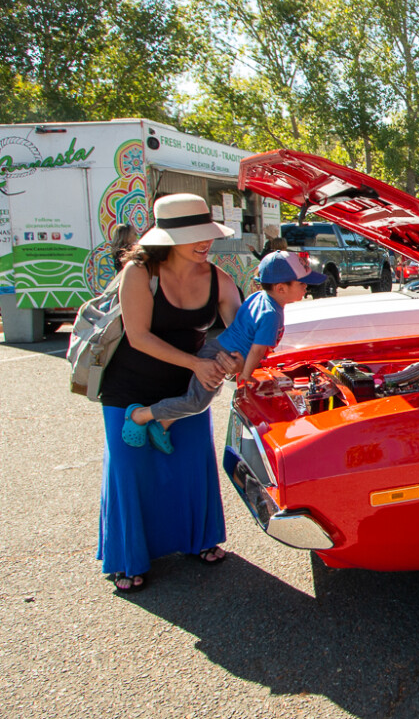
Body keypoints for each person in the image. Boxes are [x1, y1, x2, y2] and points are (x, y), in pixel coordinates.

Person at [97, 193, 243, 594]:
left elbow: (240, 331)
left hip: (185, 389)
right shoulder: (139, 273)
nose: (205, 242)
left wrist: (236, 359)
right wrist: (198, 363)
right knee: (131, 470)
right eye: (194, 235)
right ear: (167, 237)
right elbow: (138, 337)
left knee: (192, 464)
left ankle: (198, 540)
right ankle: (128, 559)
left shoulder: (219, 278)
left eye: (207, 233)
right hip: (129, 389)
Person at [123, 250, 324, 449]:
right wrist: (246, 374)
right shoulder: (272, 315)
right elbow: (256, 349)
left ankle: (164, 424)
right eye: (302, 283)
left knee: (207, 392)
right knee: (196, 403)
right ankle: (141, 415)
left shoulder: (260, 297)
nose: (307, 287)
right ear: (281, 288)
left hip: (217, 348)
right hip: (222, 357)